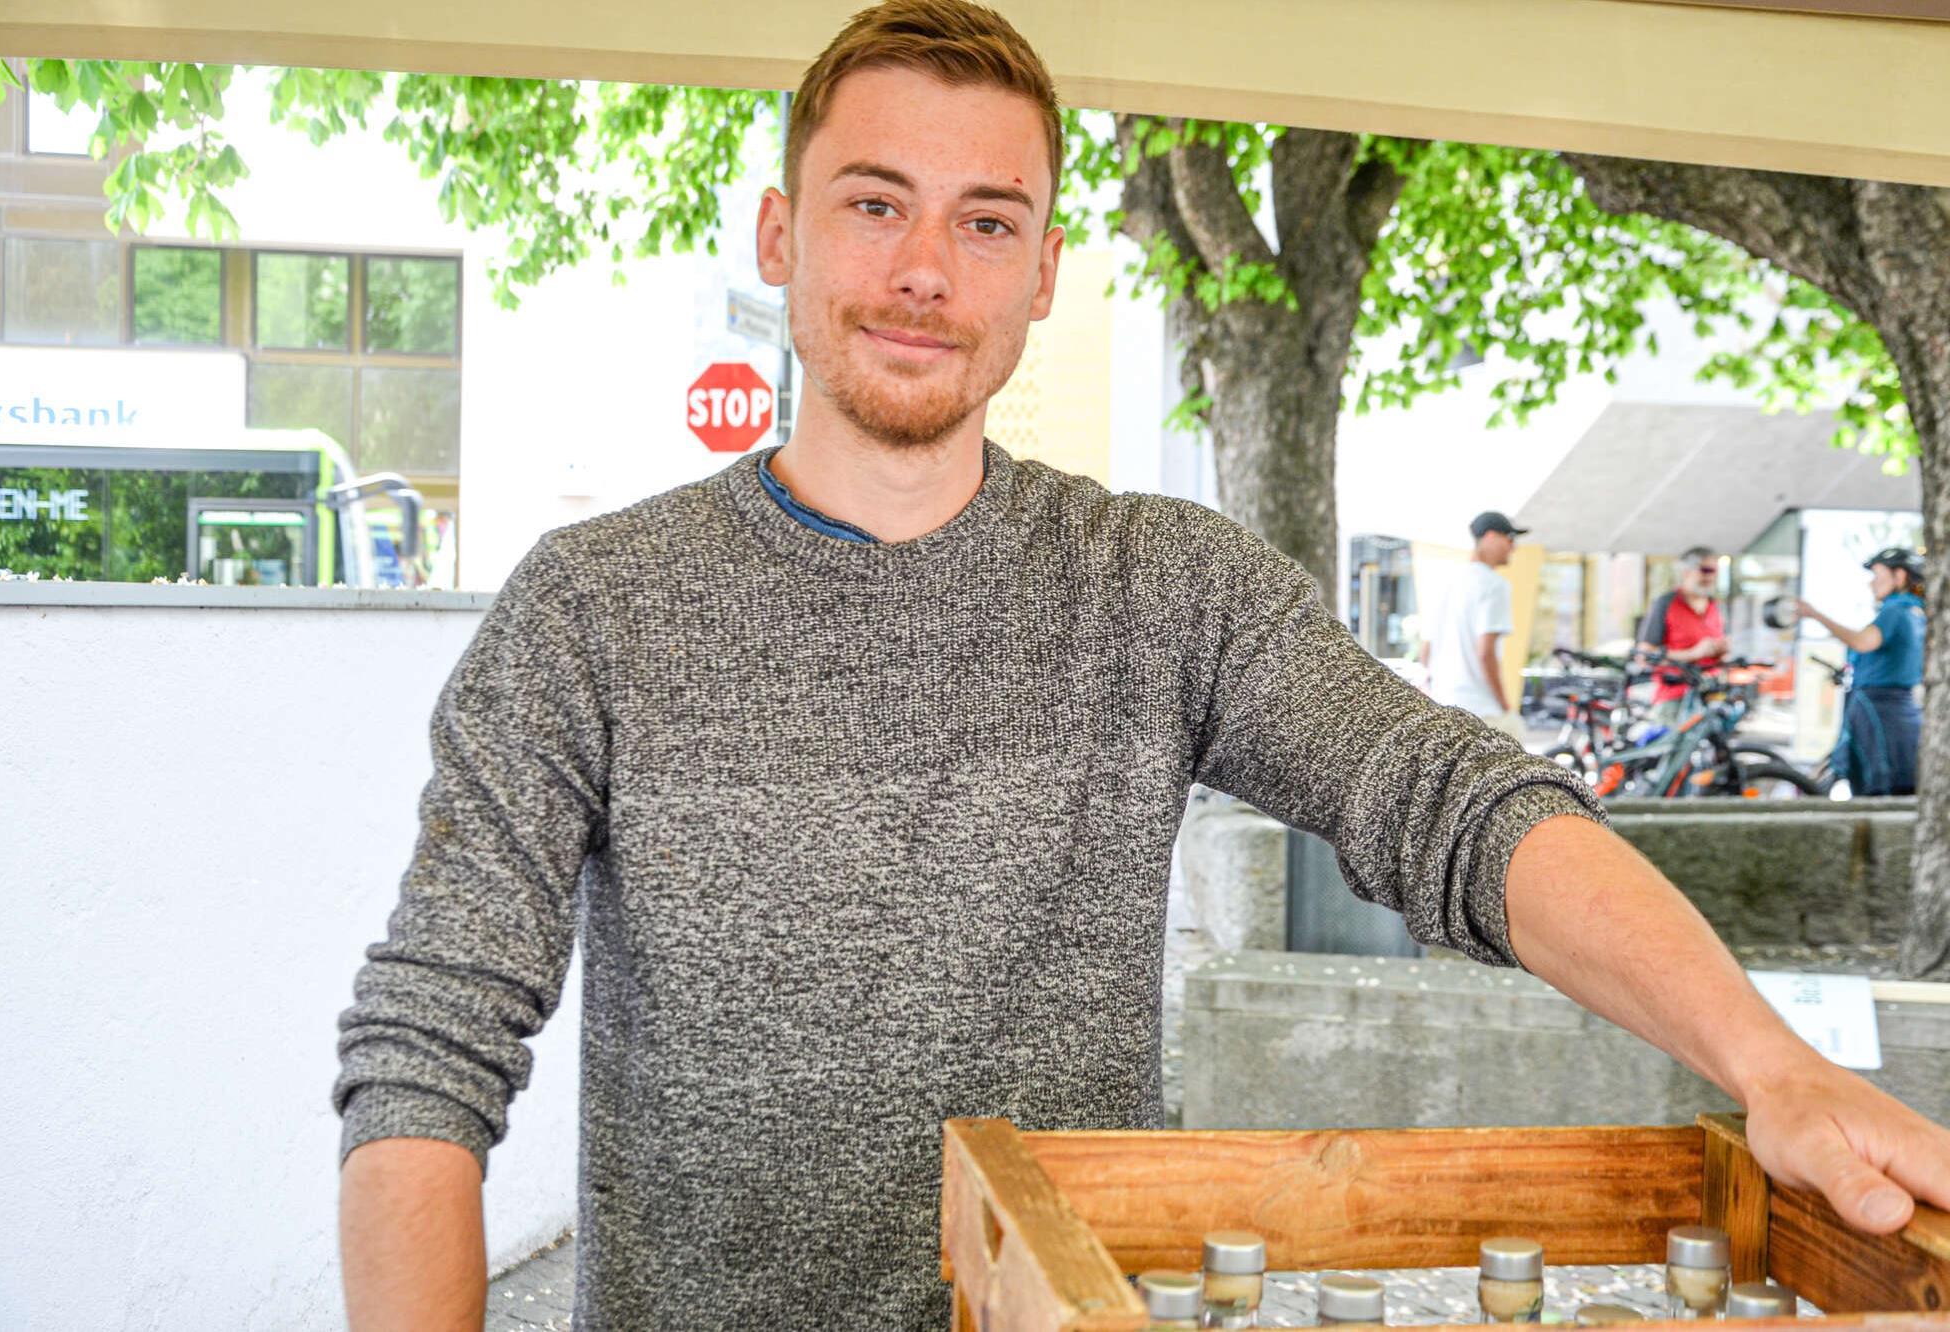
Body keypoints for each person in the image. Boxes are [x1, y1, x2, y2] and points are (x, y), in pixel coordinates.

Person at [333, 5, 1950, 1329]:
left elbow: (1452, 806)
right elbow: (429, 1041)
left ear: (1044, 277)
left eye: (988, 223)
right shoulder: (593, 607)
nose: (923, 271)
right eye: (875, 202)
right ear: (781, 231)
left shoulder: (1163, 586)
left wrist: (1774, 1065)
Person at [1797, 546, 1927, 796]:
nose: (1871, 584)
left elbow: (1862, 641)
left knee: (1876, 783)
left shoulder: (1895, 611)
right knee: (1900, 781)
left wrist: (1814, 614)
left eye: (1878, 576)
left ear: (1899, 576)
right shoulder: (1918, 612)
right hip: (1904, 710)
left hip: (1878, 707)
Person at [1420, 511, 1526, 740]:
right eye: (1509, 539)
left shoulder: (1446, 582)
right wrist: (1506, 706)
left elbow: (1426, 650)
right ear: (1489, 537)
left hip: (1442, 707)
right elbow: (1486, 652)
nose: (1513, 547)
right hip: (1482, 711)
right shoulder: (1494, 585)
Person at [1637, 546, 1732, 720]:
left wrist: (1722, 651)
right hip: (1675, 698)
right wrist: (1693, 653)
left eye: (1715, 571)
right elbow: (1644, 656)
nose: (1711, 576)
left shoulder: (1716, 607)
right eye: (1706, 570)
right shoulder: (1665, 603)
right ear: (1687, 571)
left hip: (1710, 695)